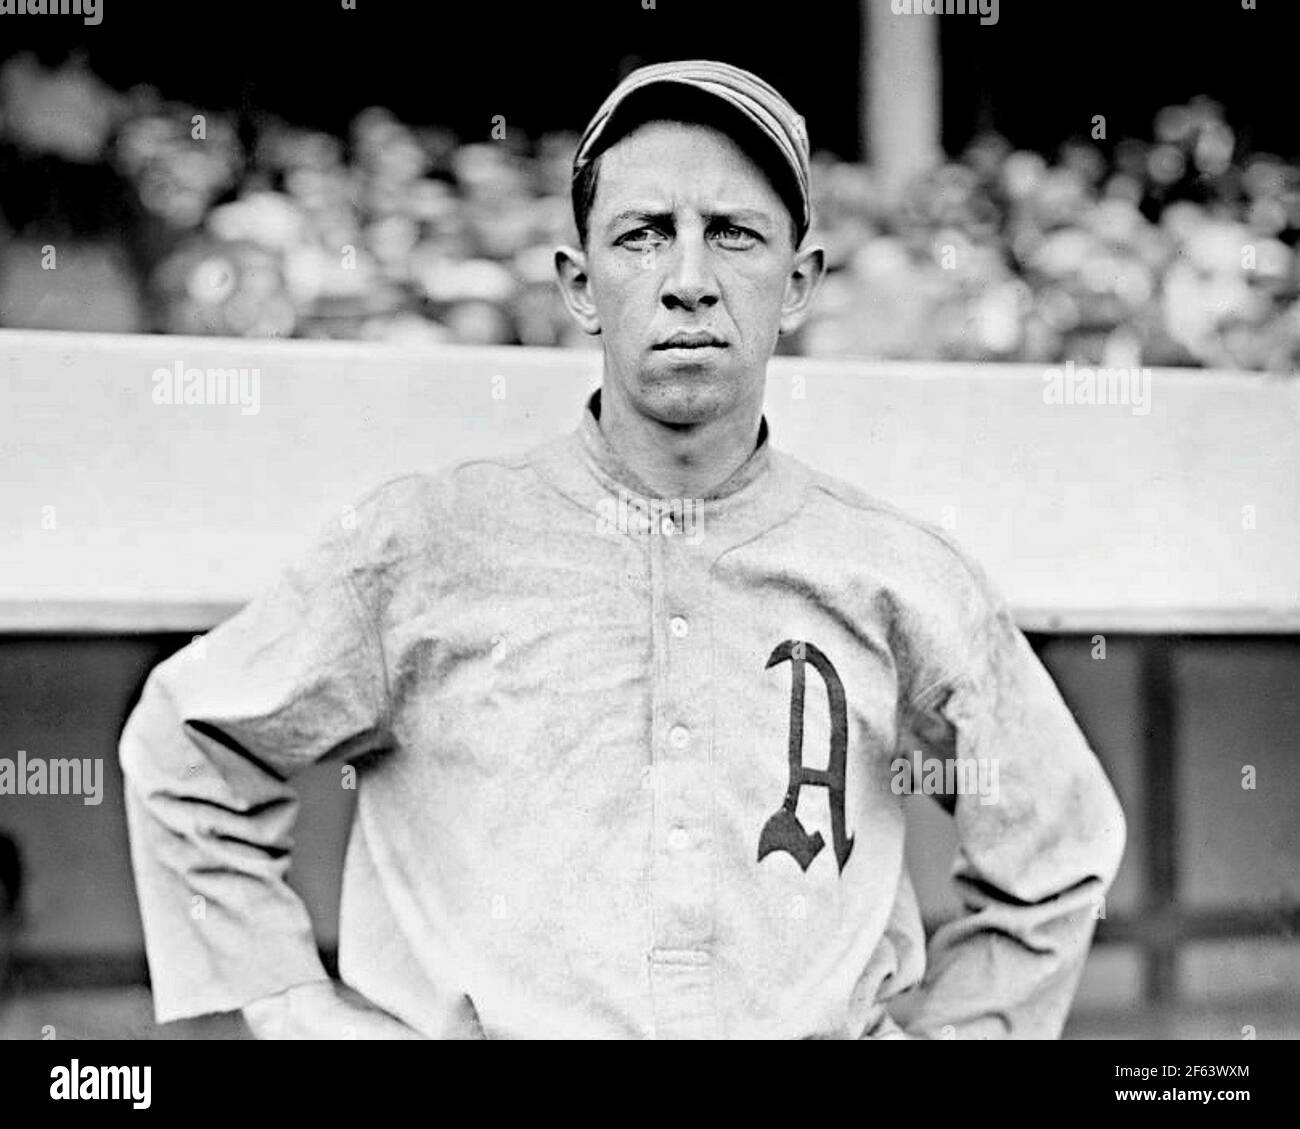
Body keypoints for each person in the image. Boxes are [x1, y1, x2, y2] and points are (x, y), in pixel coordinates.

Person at [119, 59, 1126, 1040]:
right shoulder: (427, 542)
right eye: (643, 235)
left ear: (798, 283)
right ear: (580, 284)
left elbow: (1057, 844)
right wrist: (290, 1003)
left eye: (733, 234)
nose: (688, 281)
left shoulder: (895, 572)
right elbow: (187, 743)